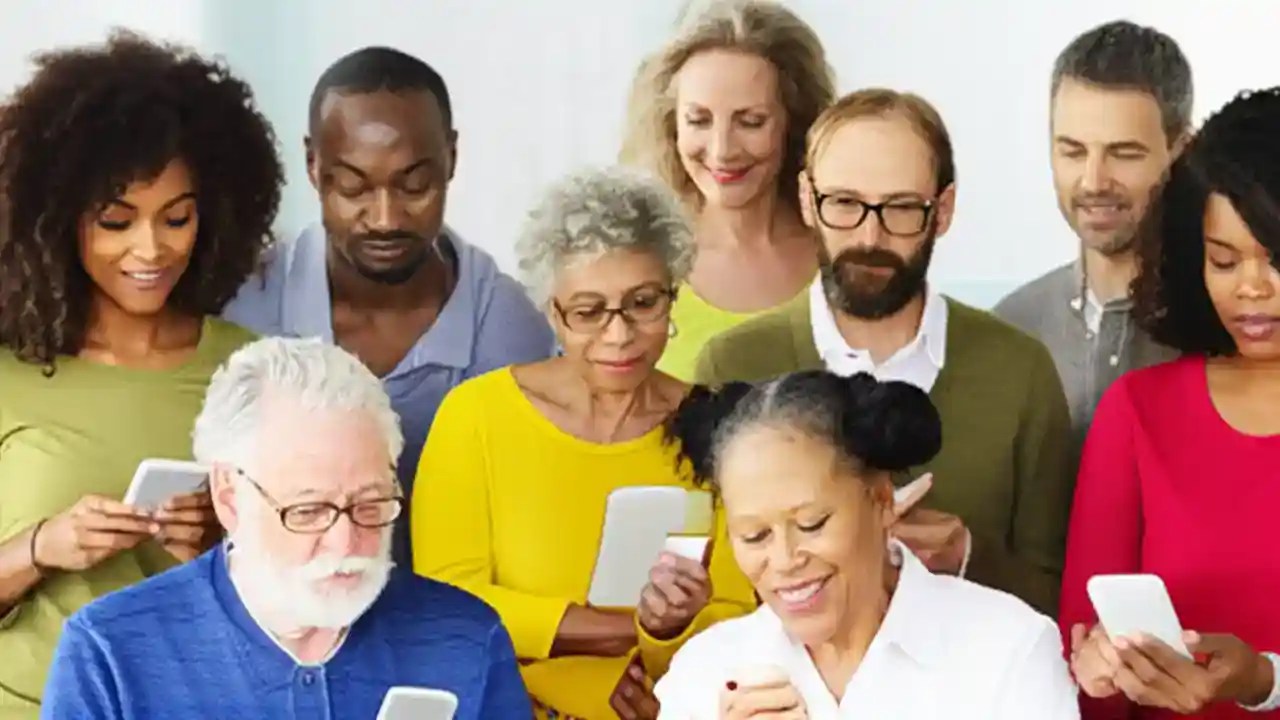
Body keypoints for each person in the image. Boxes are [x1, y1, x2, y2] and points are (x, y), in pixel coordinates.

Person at [694, 89, 1074, 616]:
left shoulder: (1019, 370)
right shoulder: (733, 366)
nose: (869, 236)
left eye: (901, 208)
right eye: (844, 204)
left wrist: (966, 557)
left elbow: (1061, 598)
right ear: (806, 199)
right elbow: (715, 596)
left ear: (943, 210)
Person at [0, 31, 283, 715]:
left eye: (176, 218)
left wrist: (225, 547)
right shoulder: (9, 373)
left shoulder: (252, 369)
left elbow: (307, 581)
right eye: (116, 222)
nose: (151, 249)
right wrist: (41, 548)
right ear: (58, 222)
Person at [412, 167, 756, 719]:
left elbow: (736, 618)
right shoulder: (476, 416)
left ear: (674, 294)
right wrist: (635, 630)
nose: (619, 335)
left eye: (643, 302)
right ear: (552, 312)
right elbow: (447, 603)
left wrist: (671, 654)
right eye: (588, 312)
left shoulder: (720, 427)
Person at [40, 337, 533, 719]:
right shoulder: (111, 651)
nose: (345, 542)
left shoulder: (465, 636)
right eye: (308, 511)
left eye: (370, 504)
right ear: (229, 498)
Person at [224, 46, 556, 567]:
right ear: (312, 164)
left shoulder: (513, 331)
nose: (385, 218)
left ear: (452, 157)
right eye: (352, 187)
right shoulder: (244, 304)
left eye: (415, 185)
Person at [652, 370, 1079, 718]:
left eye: (811, 524)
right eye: (755, 536)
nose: (784, 560)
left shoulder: (1006, 648)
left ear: (882, 500)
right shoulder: (705, 671)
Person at [1062, 88, 1280, 719]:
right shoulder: (1139, 412)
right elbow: (1081, 643)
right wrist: (1096, 668)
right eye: (1224, 260)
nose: (1251, 288)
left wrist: (1263, 679)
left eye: (1277, 260)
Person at [994, 20, 1189, 450]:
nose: (1093, 181)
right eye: (1073, 151)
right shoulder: (1009, 329)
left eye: (1124, 153)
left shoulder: (1225, 332)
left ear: (1181, 151)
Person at [621, 0, 835, 381]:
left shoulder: (842, 252)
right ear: (671, 125)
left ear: (794, 123)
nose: (722, 151)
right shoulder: (636, 263)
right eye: (698, 120)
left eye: (750, 122)